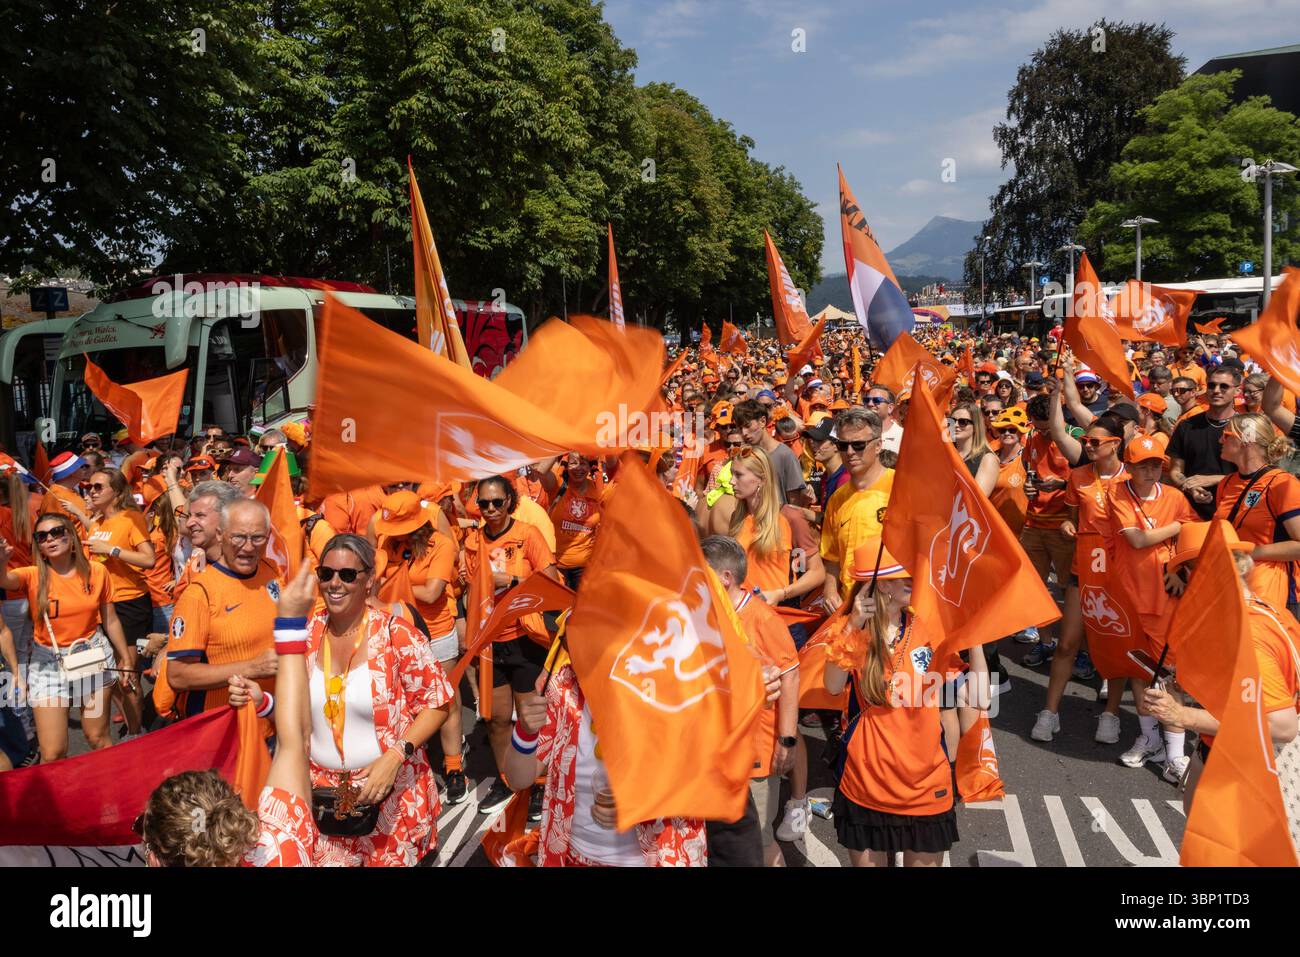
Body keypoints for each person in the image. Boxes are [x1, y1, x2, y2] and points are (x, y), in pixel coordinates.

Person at [236, 534, 453, 866]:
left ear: (368, 581)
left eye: (348, 575)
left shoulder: (398, 636)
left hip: (390, 802)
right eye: (326, 574)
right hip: (324, 807)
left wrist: (395, 756)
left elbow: (437, 704)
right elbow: (298, 716)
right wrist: (262, 701)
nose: (335, 583)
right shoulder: (306, 636)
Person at [138, 564, 320, 867]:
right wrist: (290, 623)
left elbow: (294, 743)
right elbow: (297, 741)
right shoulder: (281, 844)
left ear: (156, 860)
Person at [500, 623, 708, 867]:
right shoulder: (563, 687)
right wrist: (525, 733)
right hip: (573, 855)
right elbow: (519, 779)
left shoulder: (674, 688)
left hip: (653, 858)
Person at [822, 538, 963, 867]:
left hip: (926, 784)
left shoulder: (929, 627)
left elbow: (947, 710)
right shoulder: (852, 633)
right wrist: (854, 625)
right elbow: (832, 686)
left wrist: (953, 771)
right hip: (868, 781)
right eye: (906, 577)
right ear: (882, 585)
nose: (915, 582)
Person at [1143, 530, 1298, 814]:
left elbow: (1282, 726)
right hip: (1226, 755)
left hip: (1245, 769)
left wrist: (1183, 716)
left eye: (1188, 572)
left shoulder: (1245, 634)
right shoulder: (1271, 611)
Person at [725, 449, 823, 845]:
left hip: (776, 627)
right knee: (751, 714)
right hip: (739, 628)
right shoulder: (737, 516)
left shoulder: (790, 518)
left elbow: (817, 572)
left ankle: (797, 801)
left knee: (786, 719)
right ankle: (752, 789)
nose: (732, 482)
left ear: (761, 479)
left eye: (739, 475)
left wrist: (781, 592)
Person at [0, 513, 135, 762]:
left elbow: (110, 618)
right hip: (47, 664)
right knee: (53, 752)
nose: (50, 538)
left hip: (89, 659)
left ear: (71, 537)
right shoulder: (32, 575)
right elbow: (5, 580)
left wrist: (125, 658)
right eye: (42, 536)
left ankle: (110, 791)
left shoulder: (97, 571)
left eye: (57, 532)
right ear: (38, 547)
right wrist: (1, 561)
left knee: (97, 737)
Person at [464, 475, 561, 819]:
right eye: (484, 504)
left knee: (531, 719)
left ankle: (538, 784)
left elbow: (553, 581)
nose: (490, 510)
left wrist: (515, 582)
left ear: (510, 503)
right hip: (491, 643)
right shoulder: (473, 541)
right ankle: (509, 780)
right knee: (497, 719)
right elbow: (470, 588)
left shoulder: (527, 535)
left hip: (524, 638)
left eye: (497, 502)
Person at [1031, 411, 1129, 743]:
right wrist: (1067, 525)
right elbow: (1073, 517)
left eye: (1095, 442)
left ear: (1115, 444)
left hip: (1119, 577)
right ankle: (1049, 712)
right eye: (1085, 440)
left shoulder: (1132, 478)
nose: (1087, 446)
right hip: (1082, 571)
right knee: (1068, 644)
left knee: (1113, 646)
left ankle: (1111, 714)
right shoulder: (1079, 476)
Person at [701, 536, 798, 865]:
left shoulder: (762, 618)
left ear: (725, 577)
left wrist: (787, 739)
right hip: (718, 750)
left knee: (759, 841)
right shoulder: (706, 614)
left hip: (755, 751)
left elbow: (791, 675)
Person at [1106, 433, 1196, 777]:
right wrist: (1177, 525)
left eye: (1156, 465)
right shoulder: (1117, 493)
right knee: (1139, 671)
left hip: (1165, 598)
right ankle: (1148, 738)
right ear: (1128, 466)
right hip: (1129, 595)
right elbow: (1138, 539)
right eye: (1143, 465)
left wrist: (1179, 569)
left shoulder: (1173, 496)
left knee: (1168, 676)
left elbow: (1189, 540)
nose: (1151, 471)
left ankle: (1175, 755)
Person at [373, 490, 467, 806]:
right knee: (405, 703)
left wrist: (396, 583)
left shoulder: (441, 545)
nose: (394, 537)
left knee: (445, 702)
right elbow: (371, 582)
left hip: (436, 633)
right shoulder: (385, 544)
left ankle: (454, 768)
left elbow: (431, 592)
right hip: (396, 633)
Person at [164, 498, 283, 717]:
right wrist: (252, 668)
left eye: (257, 538)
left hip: (271, 722)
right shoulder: (199, 594)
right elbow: (178, 676)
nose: (248, 547)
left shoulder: (272, 571)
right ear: (220, 535)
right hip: (224, 732)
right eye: (238, 537)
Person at [84, 469, 154, 736]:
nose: (92, 491)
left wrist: (112, 550)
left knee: (127, 674)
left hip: (129, 602)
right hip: (103, 605)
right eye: (89, 486)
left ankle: (136, 733)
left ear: (117, 491)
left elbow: (149, 560)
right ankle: (132, 722)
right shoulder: (96, 522)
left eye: (98, 487)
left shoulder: (130, 518)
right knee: (110, 673)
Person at [1213, 413, 1300, 614]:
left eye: (1226, 436)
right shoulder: (1226, 484)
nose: (1220, 440)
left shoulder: (1282, 484)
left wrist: (1248, 552)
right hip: (1233, 584)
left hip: (1272, 588)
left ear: (1246, 441)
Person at [1018, 393, 1075, 665]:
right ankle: (1045, 642)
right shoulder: (1031, 437)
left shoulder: (1075, 436)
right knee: (1036, 588)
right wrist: (1028, 487)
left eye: (1045, 426)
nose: (1041, 431)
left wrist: (1062, 485)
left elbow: (1091, 478)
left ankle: (1076, 650)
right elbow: (1029, 468)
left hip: (1064, 525)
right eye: (1036, 425)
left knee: (1069, 591)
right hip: (1033, 522)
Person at [820, 408, 893, 615]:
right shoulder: (837, 499)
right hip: (851, 611)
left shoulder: (901, 488)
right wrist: (830, 589)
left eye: (858, 445)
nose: (850, 452)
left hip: (892, 610)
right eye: (843, 445)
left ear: (878, 445)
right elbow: (832, 557)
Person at [1170, 366, 1241, 519]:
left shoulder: (1246, 426)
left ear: (1237, 391)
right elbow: (1176, 471)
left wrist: (1215, 479)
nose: (1216, 390)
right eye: (1211, 385)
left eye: (1224, 386)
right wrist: (1190, 488)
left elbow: (1257, 476)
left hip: (1235, 511)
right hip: (1193, 513)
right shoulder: (1186, 426)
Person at [732, 399, 811, 506]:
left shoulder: (785, 455)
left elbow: (794, 505)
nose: (744, 433)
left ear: (762, 421)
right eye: (740, 428)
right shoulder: (745, 455)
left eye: (747, 426)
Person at [547, 453, 602, 591]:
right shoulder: (557, 485)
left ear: (590, 467)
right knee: (558, 611)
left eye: (583, 463)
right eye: (573, 463)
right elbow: (541, 471)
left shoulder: (598, 488)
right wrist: (560, 446)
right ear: (566, 466)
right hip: (556, 565)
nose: (578, 468)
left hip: (585, 569)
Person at [948, 401, 999, 496]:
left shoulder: (987, 459)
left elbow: (976, 501)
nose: (955, 425)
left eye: (963, 422)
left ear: (976, 426)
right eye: (952, 421)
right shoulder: (946, 453)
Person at [864, 386, 904, 454]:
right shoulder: (858, 433)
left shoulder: (902, 436)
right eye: (867, 400)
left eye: (877, 400)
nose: (870, 404)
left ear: (890, 408)